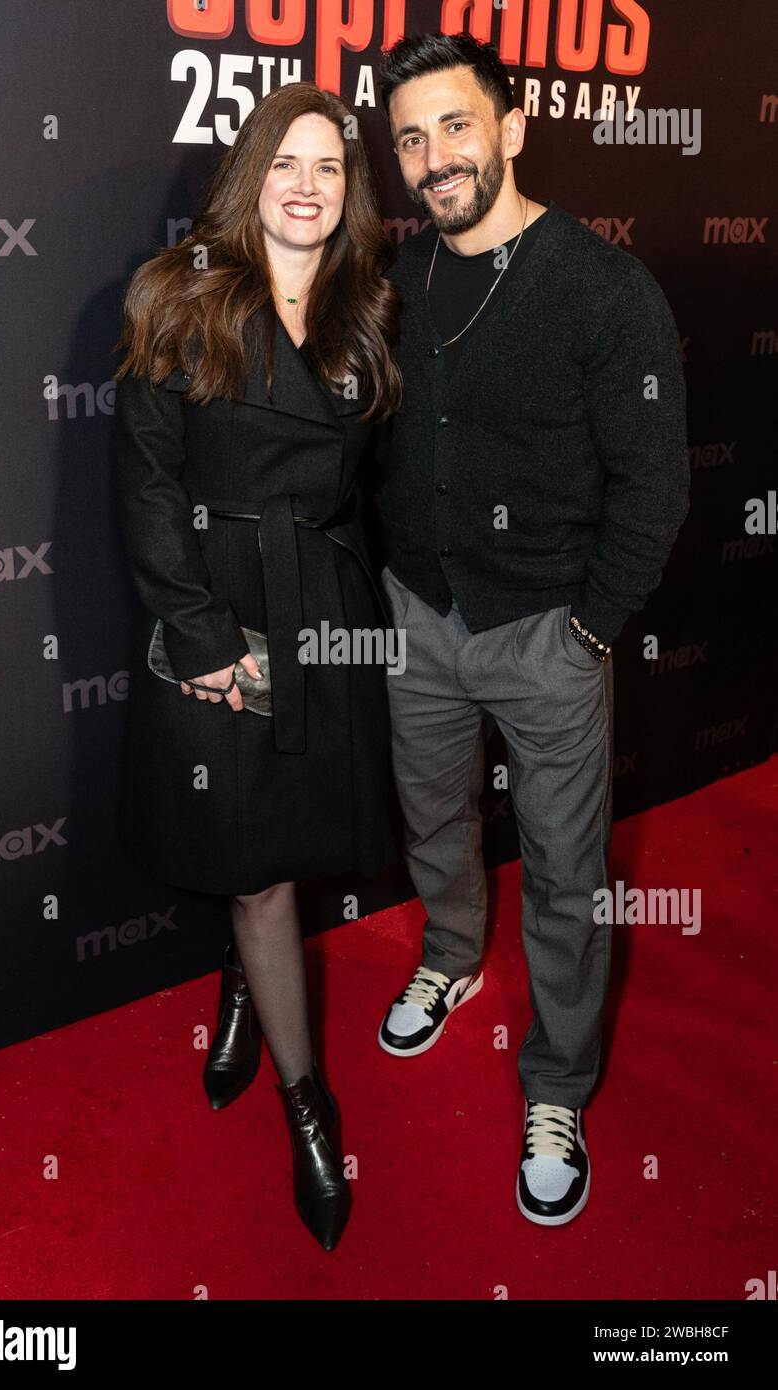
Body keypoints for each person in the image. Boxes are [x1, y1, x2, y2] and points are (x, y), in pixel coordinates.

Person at [372, 34, 689, 1225]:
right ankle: (451, 958)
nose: (433, 156)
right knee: (431, 814)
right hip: (418, 615)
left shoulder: (602, 288)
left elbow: (653, 485)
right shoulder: (401, 275)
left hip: (545, 632)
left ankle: (556, 1080)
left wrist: (589, 632)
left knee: (563, 870)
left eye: (455, 126)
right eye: (409, 137)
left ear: (510, 129)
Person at [111, 81, 402, 1250]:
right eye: (286, 160)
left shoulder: (365, 307)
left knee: (287, 851)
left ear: (350, 188)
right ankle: (306, 1099)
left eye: (329, 165)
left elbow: (375, 484)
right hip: (215, 612)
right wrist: (198, 635)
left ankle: (247, 981)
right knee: (252, 872)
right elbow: (143, 482)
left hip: (322, 608)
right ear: (249, 173)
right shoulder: (180, 296)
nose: (306, 183)